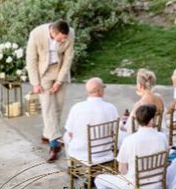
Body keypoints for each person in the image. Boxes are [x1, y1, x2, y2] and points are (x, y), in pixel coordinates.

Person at [94, 104, 169, 189]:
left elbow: (122, 170)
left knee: (99, 179)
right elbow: (165, 161)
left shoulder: (129, 140)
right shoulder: (162, 137)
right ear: (152, 120)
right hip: (158, 186)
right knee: (133, 177)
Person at [26, 19, 75, 161]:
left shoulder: (70, 33)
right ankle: (54, 144)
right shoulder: (36, 34)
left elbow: (68, 59)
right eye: (62, 37)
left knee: (58, 107)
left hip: (60, 71)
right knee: (48, 108)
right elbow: (31, 59)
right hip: (44, 74)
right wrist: (35, 82)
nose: (64, 39)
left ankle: (48, 134)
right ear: (53, 32)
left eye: (66, 37)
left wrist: (59, 81)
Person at [63, 78, 119, 164]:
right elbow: (116, 131)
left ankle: (71, 167)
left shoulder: (76, 107)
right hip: (104, 152)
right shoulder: (111, 108)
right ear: (100, 91)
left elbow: (70, 133)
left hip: (80, 153)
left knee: (66, 135)